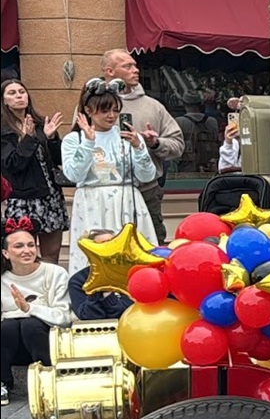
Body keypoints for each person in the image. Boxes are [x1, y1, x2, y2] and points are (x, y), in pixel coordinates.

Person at [61, 80, 159, 272]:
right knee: (94, 252)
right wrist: (88, 143)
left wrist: (139, 148)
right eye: (105, 111)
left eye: (115, 110)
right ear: (88, 111)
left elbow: (147, 175)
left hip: (127, 200)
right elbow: (74, 174)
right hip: (92, 201)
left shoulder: (127, 136)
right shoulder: (75, 139)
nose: (111, 116)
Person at [101, 49, 184, 241]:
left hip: (146, 191)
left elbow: (178, 145)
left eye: (135, 65)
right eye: (127, 66)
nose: (135, 70)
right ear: (110, 72)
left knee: (152, 245)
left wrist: (155, 143)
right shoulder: (93, 106)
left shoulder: (153, 106)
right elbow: (79, 143)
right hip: (105, 194)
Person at [2, 219, 73, 405]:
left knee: (30, 324)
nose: (27, 250)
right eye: (18, 246)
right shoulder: (2, 279)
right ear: (5, 253)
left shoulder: (55, 273)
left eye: (31, 245)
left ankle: (49, 379)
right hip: (11, 347)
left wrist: (30, 308)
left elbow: (65, 318)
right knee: (8, 326)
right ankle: (3, 383)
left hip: (46, 343)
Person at [1, 79, 67, 263]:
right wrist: (28, 139)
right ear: (4, 101)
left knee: (52, 254)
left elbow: (58, 160)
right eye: (12, 93)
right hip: (24, 198)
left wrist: (52, 138)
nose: (19, 96)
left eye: (21, 91)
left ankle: (50, 290)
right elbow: (13, 165)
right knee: (24, 255)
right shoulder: (4, 131)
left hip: (50, 195)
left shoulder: (38, 124)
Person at [68, 228, 133, 320]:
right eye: (103, 245)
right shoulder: (77, 281)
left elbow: (125, 313)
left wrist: (108, 294)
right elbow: (87, 316)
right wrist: (96, 286)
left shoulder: (130, 275)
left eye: (113, 243)